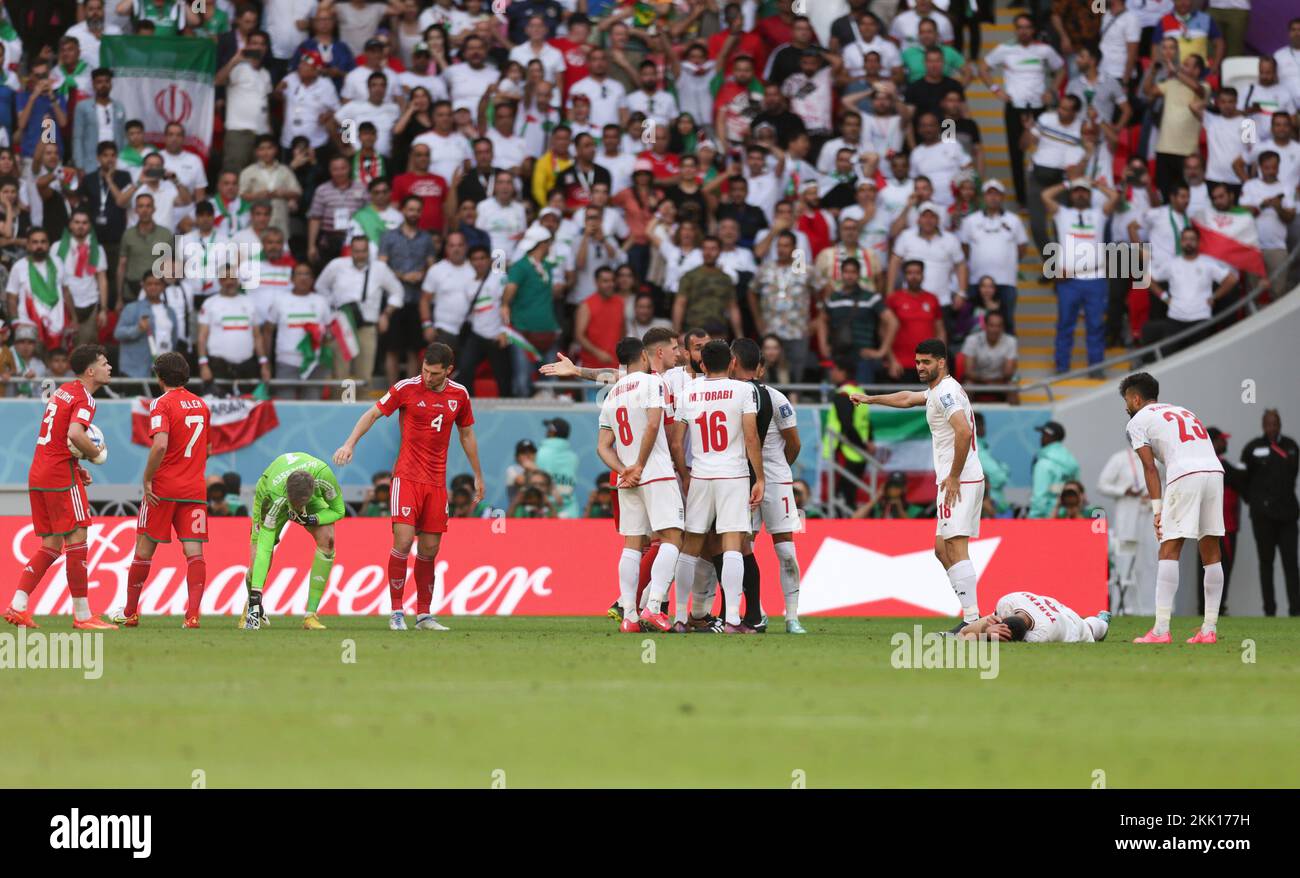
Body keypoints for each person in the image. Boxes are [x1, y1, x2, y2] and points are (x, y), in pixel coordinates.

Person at [333, 343, 486, 632]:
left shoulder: (460, 395)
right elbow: (372, 414)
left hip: (437, 482)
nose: (427, 377)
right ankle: (396, 611)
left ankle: (424, 615)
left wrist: (478, 475)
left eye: (434, 373)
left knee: (430, 549)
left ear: (448, 371)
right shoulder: (406, 388)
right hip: (406, 478)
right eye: (425, 370)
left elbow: (466, 434)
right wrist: (349, 443)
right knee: (403, 542)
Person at [851, 338, 984, 631]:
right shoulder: (938, 390)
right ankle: (972, 614)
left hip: (958, 480)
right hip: (958, 478)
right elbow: (907, 398)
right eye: (917, 361)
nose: (920, 367)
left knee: (955, 546)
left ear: (941, 362)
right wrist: (871, 399)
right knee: (941, 549)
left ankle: (973, 621)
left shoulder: (946, 392)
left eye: (926, 362)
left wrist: (953, 475)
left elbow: (962, 433)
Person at [3, 344, 116, 630]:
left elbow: (57, 437)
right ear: (91, 370)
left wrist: (78, 466)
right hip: (58, 477)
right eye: (104, 363)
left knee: (51, 545)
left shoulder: (63, 391)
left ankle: (17, 606)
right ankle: (83, 615)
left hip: (39, 472)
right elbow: (75, 434)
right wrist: (95, 454)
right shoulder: (86, 399)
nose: (109, 367)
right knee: (78, 540)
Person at [106, 352, 210, 628]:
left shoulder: (161, 404)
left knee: (143, 550)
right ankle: (193, 615)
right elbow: (207, 448)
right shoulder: (201, 405)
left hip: (162, 489)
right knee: (194, 553)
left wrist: (148, 477)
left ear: (159, 377)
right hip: (194, 489)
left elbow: (160, 444)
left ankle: (130, 612)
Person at [1122, 372, 1227, 644]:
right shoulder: (1183, 410)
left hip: (1184, 475)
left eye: (1126, 401)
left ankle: (1160, 630)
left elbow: (1149, 468)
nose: (1126, 408)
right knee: (1211, 550)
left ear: (1135, 398)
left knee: (1169, 547)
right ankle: (1209, 630)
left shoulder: (1137, 421)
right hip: (1215, 472)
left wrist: (1157, 511)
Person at [669, 339, 764, 634]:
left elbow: (675, 441)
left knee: (691, 546)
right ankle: (734, 619)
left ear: (703, 365)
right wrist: (759, 478)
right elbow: (750, 437)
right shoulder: (743, 390)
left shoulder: (689, 390)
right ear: (732, 363)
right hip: (733, 475)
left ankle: (680, 617)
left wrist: (685, 475)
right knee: (732, 541)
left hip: (701, 474)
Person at [595, 336, 686, 633]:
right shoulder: (653, 383)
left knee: (632, 545)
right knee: (673, 537)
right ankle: (654, 606)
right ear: (644, 358)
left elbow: (603, 447)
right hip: (655, 472)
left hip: (627, 480)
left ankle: (629, 618)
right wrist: (641, 465)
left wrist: (625, 469)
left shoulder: (612, 394)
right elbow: (652, 424)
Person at [731, 337, 804, 634]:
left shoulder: (776, 398)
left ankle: (792, 616)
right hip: (738, 481)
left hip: (774, 482)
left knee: (785, 550)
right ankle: (756, 610)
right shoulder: (729, 395)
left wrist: (776, 472)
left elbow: (794, 442)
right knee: (742, 546)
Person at [240, 453, 347, 631]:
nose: (297, 508)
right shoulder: (274, 495)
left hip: (305, 499)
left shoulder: (324, 476)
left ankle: (310, 616)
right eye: (294, 503)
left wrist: (312, 519)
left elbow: (339, 510)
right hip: (272, 497)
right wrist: (256, 593)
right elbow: (265, 546)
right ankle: (251, 606)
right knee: (257, 561)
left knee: (327, 539)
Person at [1240, 409, 1299, 616]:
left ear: (1280, 425)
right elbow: (1242, 478)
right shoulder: (1253, 448)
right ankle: (1269, 611)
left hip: (1288, 517)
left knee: (1291, 563)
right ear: (1263, 425)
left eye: (1275, 423)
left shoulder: (1291, 447)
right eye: (1268, 424)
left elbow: (1292, 475)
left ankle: (1295, 611)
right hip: (1263, 518)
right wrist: (1254, 502)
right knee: (1266, 564)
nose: (1272, 428)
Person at [1098, 443, 1157, 615]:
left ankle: (1150, 608)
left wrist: (1156, 495)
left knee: (1150, 562)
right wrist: (1123, 490)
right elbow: (1102, 484)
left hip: (1149, 517)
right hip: (1127, 518)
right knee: (1124, 563)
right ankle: (1122, 608)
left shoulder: (1157, 459)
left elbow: (1165, 482)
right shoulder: (1120, 459)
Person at [958, 592, 1111, 643]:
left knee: (1092, 628)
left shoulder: (1042, 634)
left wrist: (986, 634)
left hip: (1071, 622)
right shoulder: (1008, 602)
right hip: (1049, 605)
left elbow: (965, 635)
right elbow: (963, 633)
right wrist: (986, 627)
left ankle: (1102, 620)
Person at [116, 273, 181, 380]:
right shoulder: (132, 308)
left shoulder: (170, 312)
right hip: (136, 371)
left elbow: (173, 340)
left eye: (157, 284)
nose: (153, 287)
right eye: (149, 284)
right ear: (143, 286)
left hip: (164, 373)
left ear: (163, 286)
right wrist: (138, 329)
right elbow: (118, 333)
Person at [1030, 421, 1080, 519]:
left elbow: (1039, 496)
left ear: (1049, 436)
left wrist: (1034, 517)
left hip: (1046, 517)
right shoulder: (1072, 461)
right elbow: (1076, 490)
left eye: (1043, 435)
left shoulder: (1044, 464)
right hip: (1068, 515)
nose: (1041, 438)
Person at [536, 417, 580, 519]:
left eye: (548, 429)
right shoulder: (573, 457)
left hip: (546, 511)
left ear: (552, 432)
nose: (546, 432)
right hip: (570, 512)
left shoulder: (540, 453)